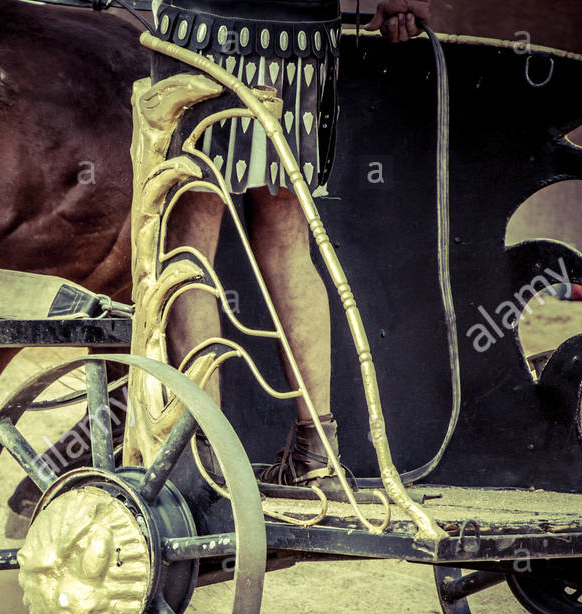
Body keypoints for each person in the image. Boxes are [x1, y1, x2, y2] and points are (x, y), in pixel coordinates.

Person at [150, 0, 433, 490]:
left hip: (202, 25)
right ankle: (317, 452)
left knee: (189, 244)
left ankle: (209, 460)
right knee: (288, 241)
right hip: (301, 44)